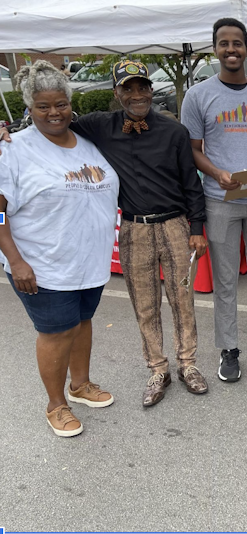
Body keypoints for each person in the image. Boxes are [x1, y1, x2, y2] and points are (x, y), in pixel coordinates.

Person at [0, 61, 211, 406]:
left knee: (181, 300)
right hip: (131, 229)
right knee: (144, 305)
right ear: (116, 93)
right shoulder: (97, 127)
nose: (137, 94)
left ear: (151, 89)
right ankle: (157, 369)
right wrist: (5, 132)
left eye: (142, 86)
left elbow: (191, 183)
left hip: (172, 225)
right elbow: (1, 204)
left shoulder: (172, 131)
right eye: (128, 88)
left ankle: (188, 364)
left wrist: (198, 227)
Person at [0, 61, 118, 436]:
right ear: (29, 109)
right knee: (56, 333)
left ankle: (80, 385)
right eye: (43, 106)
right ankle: (56, 405)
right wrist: (15, 260)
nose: (54, 113)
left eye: (60, 104)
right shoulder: (14, 150)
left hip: (88, 262)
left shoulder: (88, 144)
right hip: (42, 265)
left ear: (71, 103)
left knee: (82, 324)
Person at [181, 18, 247, 383]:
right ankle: (228, 348)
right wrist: (216, 173)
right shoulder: (198, 96)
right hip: (220, 198)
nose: (231, 50)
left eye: (237, 43)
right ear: (215, 49)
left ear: (246, 48)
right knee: (225, 279)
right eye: (224, 43)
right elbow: (192, 150)